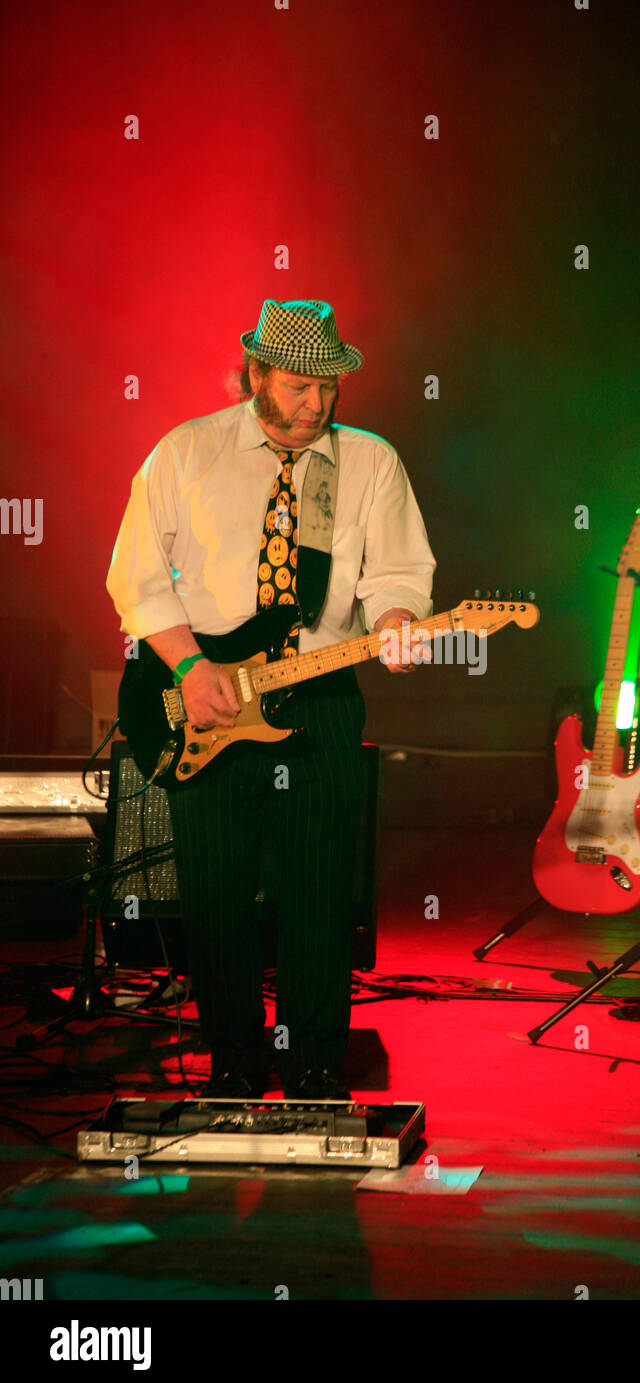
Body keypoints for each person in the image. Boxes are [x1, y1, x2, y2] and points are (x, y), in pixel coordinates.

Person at [107, 298, 436, 1099]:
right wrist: (188, 669)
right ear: (253, 371)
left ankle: (315, 1061)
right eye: (295, 386)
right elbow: (137, 576)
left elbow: (395, 573)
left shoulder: (368, 462)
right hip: (206, 698)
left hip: (319, 696)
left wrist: (396, 621)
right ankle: (233, 1062)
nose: (313, 406)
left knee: (321, 891)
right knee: (216, 895)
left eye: (327, 389)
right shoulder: (187, 452)